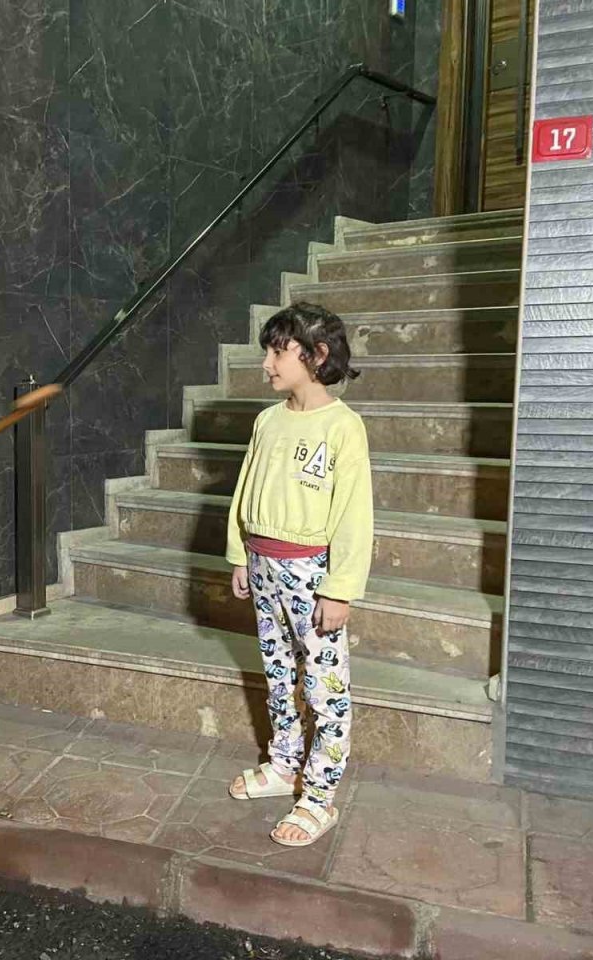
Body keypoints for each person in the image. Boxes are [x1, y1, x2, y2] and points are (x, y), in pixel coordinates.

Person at [223, 301, 373, 848]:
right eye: (267, 350)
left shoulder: (343, 427)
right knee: (278, 672)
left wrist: (340, 589)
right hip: (263, 562)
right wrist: (239, 552)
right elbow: (244, 491)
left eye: (277, 350)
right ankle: (284, 764)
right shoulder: (267, 420)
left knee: (325, 684)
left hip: (313, 571)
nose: (266, 362)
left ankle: (319, 795)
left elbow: (355, 514)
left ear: (317, 355)